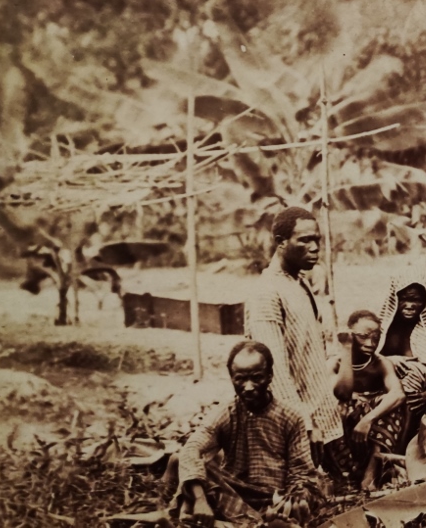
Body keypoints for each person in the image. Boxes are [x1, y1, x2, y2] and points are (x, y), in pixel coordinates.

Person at [164, 341, 320, 527]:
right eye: (240, 379)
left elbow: (301, 471)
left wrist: (295, 496)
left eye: (256, 378)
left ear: (270, 376)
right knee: (192, 463)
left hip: (272, 497)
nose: (248, 387)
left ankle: (240, 521)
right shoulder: (226, 413)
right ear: (231, 378)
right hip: (231, 492)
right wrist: (200, 500)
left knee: (299, 503)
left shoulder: (291, 417)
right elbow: (193, 447)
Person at [245, 207, 342, 461]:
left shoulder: (300, 284)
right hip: (294, 427)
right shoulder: (267, 293)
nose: (314, 248)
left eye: (316, 240)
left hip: (320, 419)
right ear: (281, 242)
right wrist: (305, 424)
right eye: (305, 240)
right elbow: (273, 371)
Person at [328, 310, 406, 491]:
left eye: (376, 337)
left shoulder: (381, 363)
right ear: (349, 334)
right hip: (347, 430)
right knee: (335, 408)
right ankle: (346, 474)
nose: (371, 343)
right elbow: (342, 393)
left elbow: (398, 394)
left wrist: (367, 419)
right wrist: (346, 348)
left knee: (388, 403)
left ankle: (371, 473)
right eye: (363, 336)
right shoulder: (335, 363)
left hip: (373, 430)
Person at [376, 271, 426, 420]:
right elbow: (364, 356)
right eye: (403, 299)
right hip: (390, 385)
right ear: (394, 298)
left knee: (410, 373)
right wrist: (389, 361)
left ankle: (404, 441)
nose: (409, 305)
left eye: (416, 300)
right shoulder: (383, 327)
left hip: (425, 388)